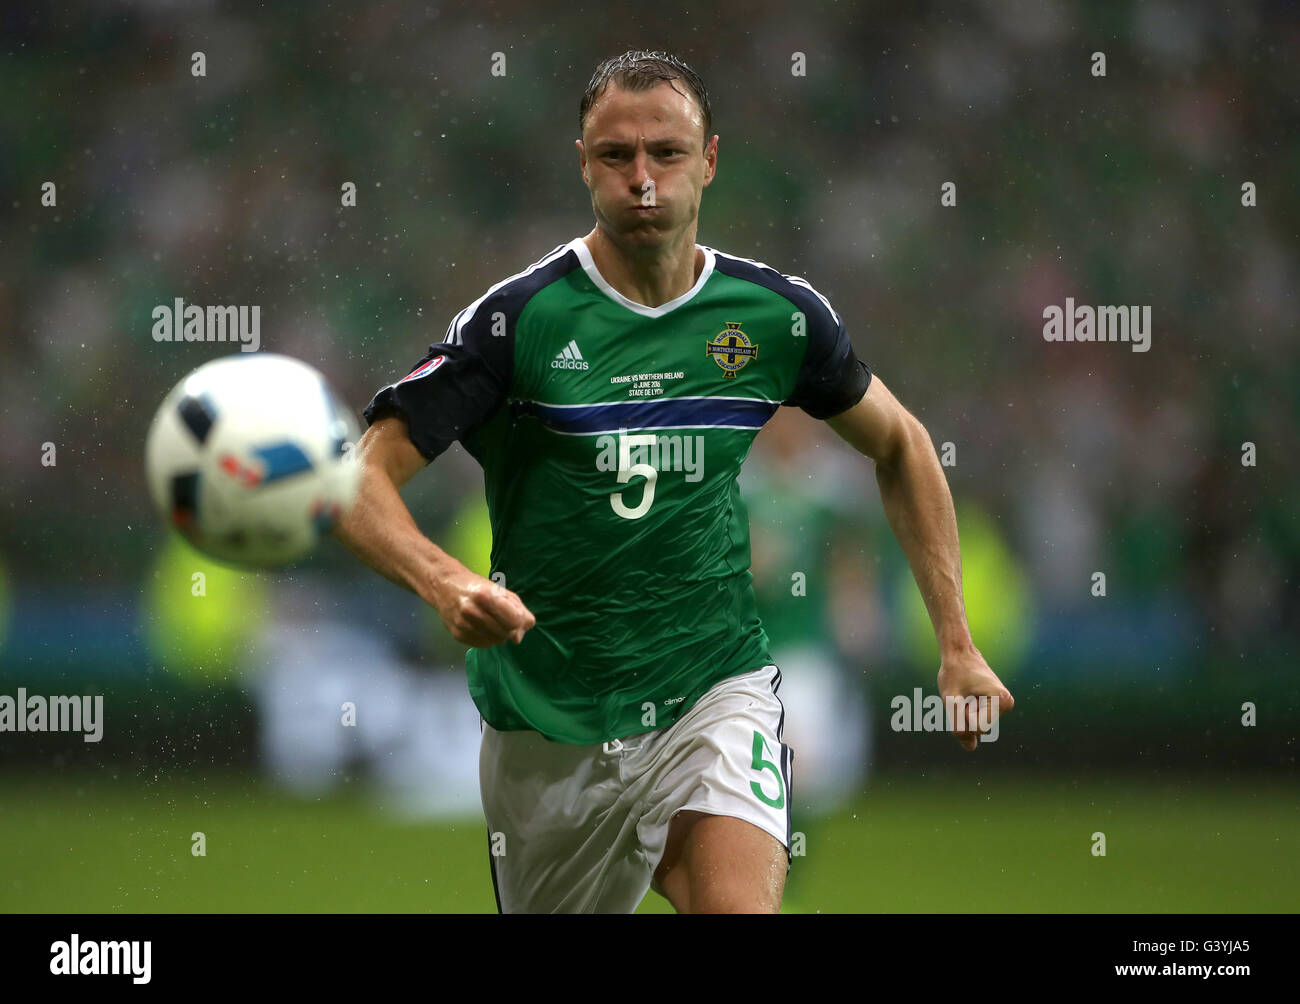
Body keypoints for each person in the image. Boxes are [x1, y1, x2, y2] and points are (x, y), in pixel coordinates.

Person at [335, 49, 1014, 914]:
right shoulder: (517, 322)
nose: (644, 181)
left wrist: (955, 641)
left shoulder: (775, 317)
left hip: (713, 687)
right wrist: (444, 583)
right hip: (552, 723)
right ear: (583, 164)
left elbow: (904, 445)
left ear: (711, 161)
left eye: (668, 154)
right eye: (616, 157)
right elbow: (360, 481)